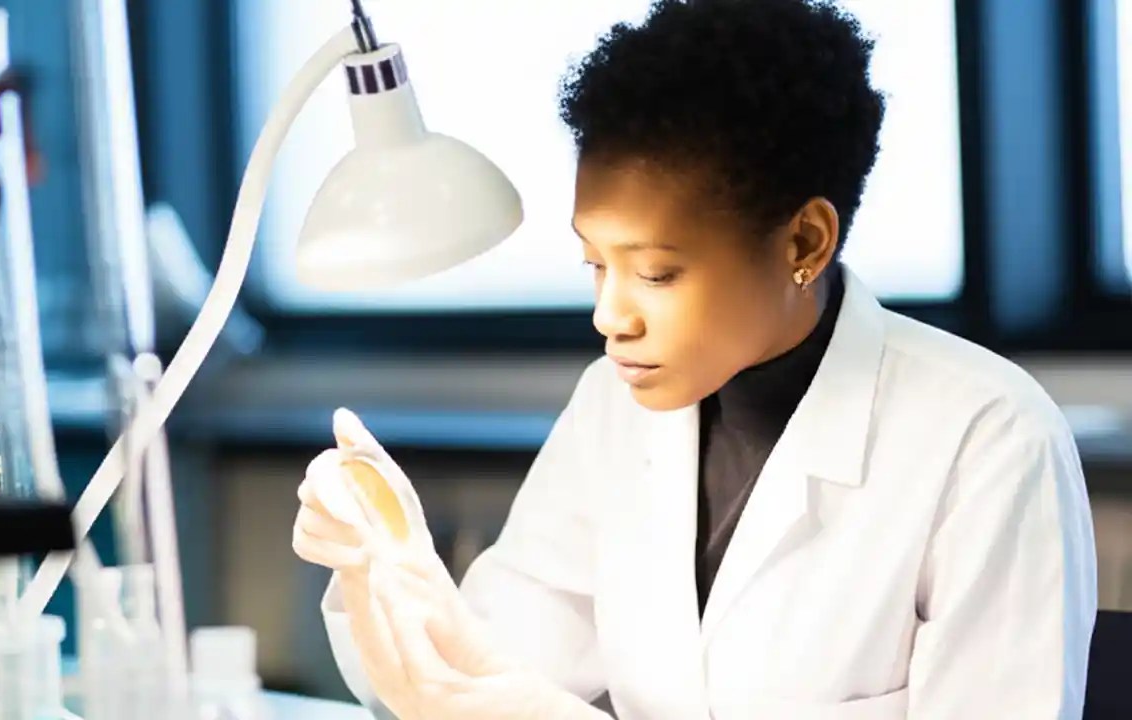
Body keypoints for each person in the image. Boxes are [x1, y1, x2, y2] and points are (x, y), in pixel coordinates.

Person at [292, 0, 1099, 717]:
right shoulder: (612, 405)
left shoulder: (987, 437)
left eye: (656, 273)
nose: (610, 316)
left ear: (805, 242)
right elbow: (478, 669)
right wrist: (393, 571)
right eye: (595, 266)